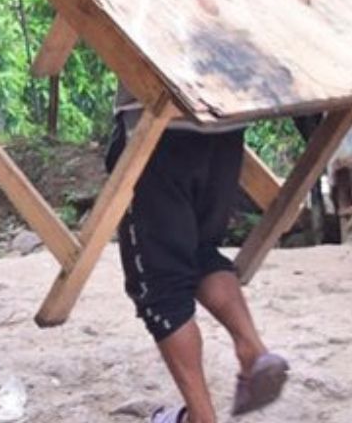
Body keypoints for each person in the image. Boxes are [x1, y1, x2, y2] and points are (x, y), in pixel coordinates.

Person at [108, 87, 288, 423]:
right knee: (200, 250)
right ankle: (253, 350)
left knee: (160, 289)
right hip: (224, 123)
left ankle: (200, 418)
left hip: (156, 126)